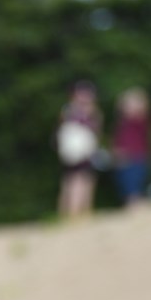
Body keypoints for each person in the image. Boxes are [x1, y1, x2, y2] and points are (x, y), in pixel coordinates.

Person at [57, 80, 103, 220]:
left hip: (86, 153)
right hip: (75, 153)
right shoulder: (70, 110)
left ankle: (83, 213)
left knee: (85, 181)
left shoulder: (93, 112)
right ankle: (72, 214)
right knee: (75, 182)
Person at [111, 87, 151, 206]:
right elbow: (118, 141)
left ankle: (136, 209)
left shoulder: (140, 120)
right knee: (127, 189)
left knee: (134, 188)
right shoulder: (122, 122)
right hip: (123, 160)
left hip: (136, 158)